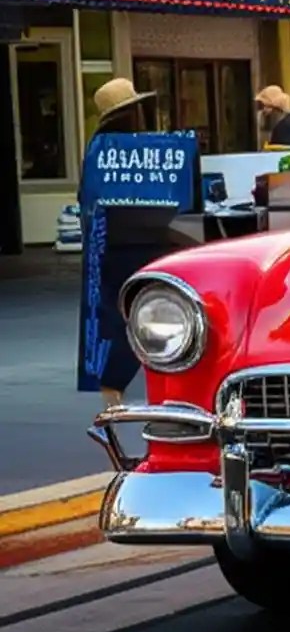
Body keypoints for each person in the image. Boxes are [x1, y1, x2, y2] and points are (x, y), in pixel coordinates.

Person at [82, 78, 167, 409]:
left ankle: (114, 383)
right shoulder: (145, 148)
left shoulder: (97, 148)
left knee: (119, 312)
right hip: (147, 238)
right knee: (144, 309)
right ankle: (117, 378)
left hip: (114, 241)